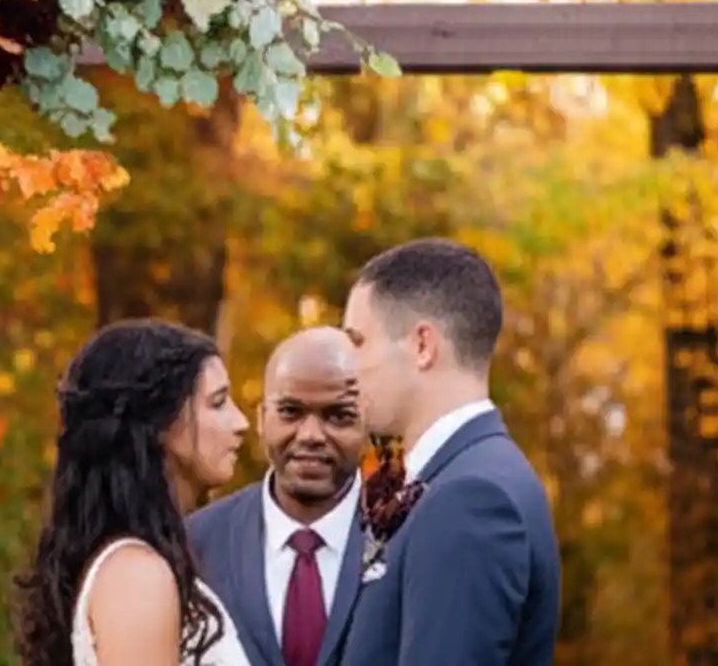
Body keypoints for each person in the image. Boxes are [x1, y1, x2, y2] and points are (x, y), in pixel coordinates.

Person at [338, 238, 560, 666]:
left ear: (423, 346)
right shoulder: (466, 476)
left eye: (359, 341)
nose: (348, 366)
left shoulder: (471, 499)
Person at [12, 318, 253, 666]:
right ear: (160, 424)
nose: (240, 422)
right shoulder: (137, 576)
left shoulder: (141, 567)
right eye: (217, 403)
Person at [189, 327, 368, 666]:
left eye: (338, 416)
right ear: (261, 418)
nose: (311, 435)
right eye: (291, 412)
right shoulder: (197, 543)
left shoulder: (406, 537)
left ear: (367, 422)